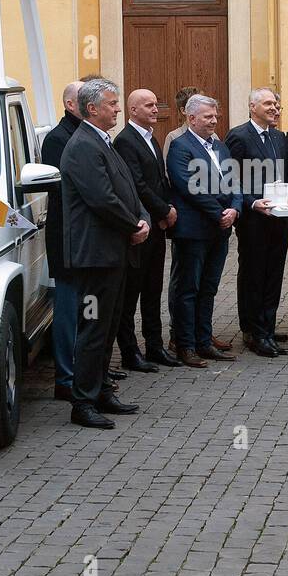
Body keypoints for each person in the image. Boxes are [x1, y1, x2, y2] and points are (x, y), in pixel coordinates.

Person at [59, 78, 148, 429]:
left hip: (113, 252)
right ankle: (82, 402)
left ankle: (101, 390)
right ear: (92, 108)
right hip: (95, 255)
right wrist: (133, 225)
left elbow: (125, 187)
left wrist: (140, 216)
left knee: (107, 326)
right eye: (112, 103)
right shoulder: (83, 145)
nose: (117, 109)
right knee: (93, 329)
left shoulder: (103, 141)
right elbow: (101, 198)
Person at [166, 94, 242, 367]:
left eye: (215, 116)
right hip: (193, 231)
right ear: (191, 118)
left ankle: (204, 340)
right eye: (208, 116)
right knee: (188, 289)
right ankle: (185, 345)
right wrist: (219, 213)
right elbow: (189, 186)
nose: (214, 121)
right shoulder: (180, 146)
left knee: (208, 288)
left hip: (219, 231)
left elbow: (234, 181)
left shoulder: (220, 147)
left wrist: (235, 208)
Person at [113, 88, 180, 371]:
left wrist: (166, 209)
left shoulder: (151, 137)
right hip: (139, 227)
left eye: (155, 104)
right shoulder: (126, 141)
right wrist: (163, 210)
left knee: (153, 290)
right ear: (133, 110)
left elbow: (159, 181)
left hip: (157, 227)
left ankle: (155, 346)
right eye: (149, 105)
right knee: (132, 294)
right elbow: (137, 185)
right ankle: (130, 352)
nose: (155, 109)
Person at [225, 88, 288, 358]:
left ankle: (266, 325)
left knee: (274, 274)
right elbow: (231, 178)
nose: (274, 108)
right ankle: (253, 331)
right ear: (252, 107)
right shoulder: (239, 136)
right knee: (254, 274)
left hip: (279, 217)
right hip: (254, 218)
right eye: (268, 103)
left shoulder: (279, 136)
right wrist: (252, 202)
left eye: (276, 103)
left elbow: (286, 171)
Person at [41, 80, 84, 401]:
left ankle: (85, 368)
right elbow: (67, 191)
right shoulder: (58, 140)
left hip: (85, 239)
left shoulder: (84, 134)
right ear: (71, 104)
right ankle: (66, 378)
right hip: (68, 238)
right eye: (87, 99)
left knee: (86, 310)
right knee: (68, 310)